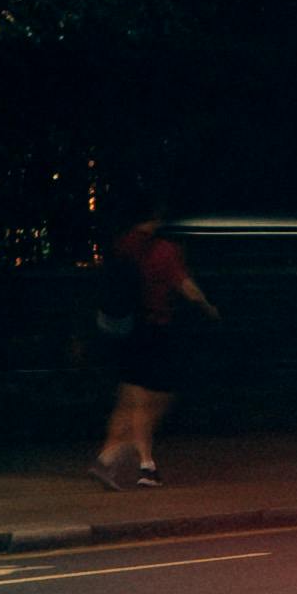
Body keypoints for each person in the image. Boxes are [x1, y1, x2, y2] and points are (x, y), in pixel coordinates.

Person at [91, 209, 216, 489]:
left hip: (122, 329)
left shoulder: (123, 243)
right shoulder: (164, 249)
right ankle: (135, 464)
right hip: (154, 329)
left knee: (130, 397)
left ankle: (120, 459)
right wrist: (208, 307)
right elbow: (187, 288)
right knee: (153, 401)